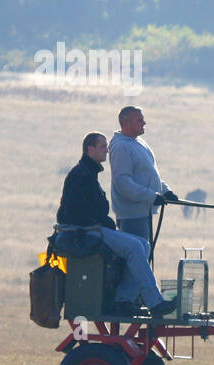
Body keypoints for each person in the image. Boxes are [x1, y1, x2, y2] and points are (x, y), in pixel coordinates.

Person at [57, 132, 176, 318]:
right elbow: (75, 213)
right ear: (90, 149)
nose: (107, 150)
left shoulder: (88, 172)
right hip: (80, 232)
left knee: (143, 245)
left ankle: (124, 299)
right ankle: (155, 302)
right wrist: (104, 223)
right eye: (102, 146)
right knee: (135, 246)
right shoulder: (80, 174)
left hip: (92, 229)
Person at [109, 106, 178, 244]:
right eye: (140, 120)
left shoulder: (137, 142)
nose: (144, 123)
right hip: (132, 215)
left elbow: (148, 174)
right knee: (137, 258)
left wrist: (165, 191)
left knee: (143, 255)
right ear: (127, 124)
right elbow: (123, 182)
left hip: (143, 212)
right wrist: (151, 196)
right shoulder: (122, 147)